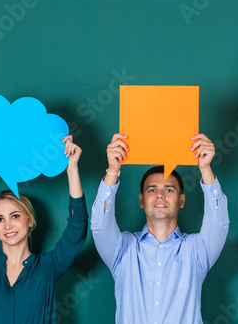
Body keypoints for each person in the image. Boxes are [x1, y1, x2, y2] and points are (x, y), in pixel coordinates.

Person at [0, 123, 88, 323]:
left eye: (15, 216)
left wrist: (72, 168)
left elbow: (77, 227)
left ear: (30, 221)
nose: (7, 225)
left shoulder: (48, 267)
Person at [92, 132, 229, 323]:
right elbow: (100, 225)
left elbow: (219, 222)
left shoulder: (196, 250)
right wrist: (113, 170)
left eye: (169, 189)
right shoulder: (122, 249)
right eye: (152, 189)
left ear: (181, 201)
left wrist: (205, 169)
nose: (160, 195)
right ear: (141, 200)